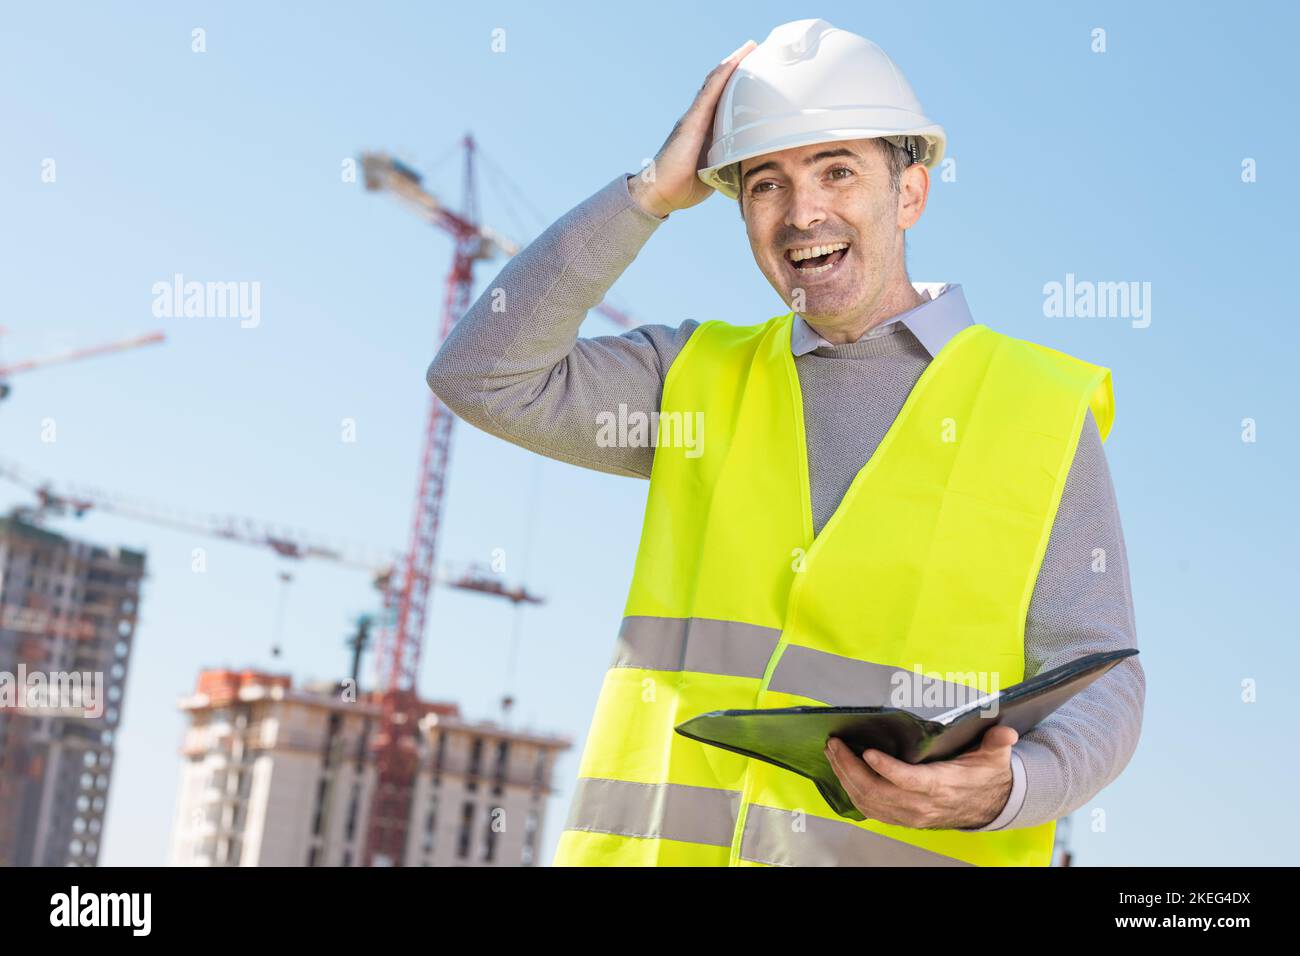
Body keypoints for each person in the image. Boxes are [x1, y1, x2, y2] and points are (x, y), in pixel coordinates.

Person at [427, 19, 1144, 866]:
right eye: (766, 184)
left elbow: (1101, 673)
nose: (804, 212)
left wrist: (1015, 787)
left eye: (837, 170)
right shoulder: (692, 379)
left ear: (909, 194)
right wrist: (647, 193)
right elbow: (482, 374)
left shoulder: (1039, 407)